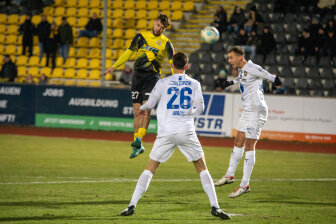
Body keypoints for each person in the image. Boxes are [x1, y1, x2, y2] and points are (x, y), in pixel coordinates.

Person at [119, 52, 231, 220]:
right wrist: (189, 113)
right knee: (202, 168)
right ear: (187, 66)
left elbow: (149, 104)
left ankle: (131, 205)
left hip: (166, 133)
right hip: (186, 131)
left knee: (150, 169)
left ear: (171, 65)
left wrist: (141, 109)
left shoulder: (162, 83)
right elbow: (200, 109)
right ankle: (215, 206)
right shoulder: (194, 84)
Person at [214, 46, 282, 198]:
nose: (229, 61)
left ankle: (245, 185)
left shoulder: (251, 66)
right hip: (248, 110)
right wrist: (230, 83)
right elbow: (243, 79)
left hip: (257, 110)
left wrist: (275, 80)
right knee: (238, 140)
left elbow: (264, 73)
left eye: (231, 57)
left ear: (239, 57)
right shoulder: (243, 69)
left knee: (249, 145)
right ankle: (230, 175)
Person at [104, 14, 174, 159]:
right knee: (137, 111)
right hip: (137, 76)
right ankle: (138, 145)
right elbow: (128, 53)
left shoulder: (166, 43)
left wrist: (176, 79)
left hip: (152, 77)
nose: (159, 29)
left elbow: (173, 64)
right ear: (155, 23)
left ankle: (138, 140)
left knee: (145, 109)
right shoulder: (141, 37)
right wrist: (114, 66)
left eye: (163, 28)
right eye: (158, 25)